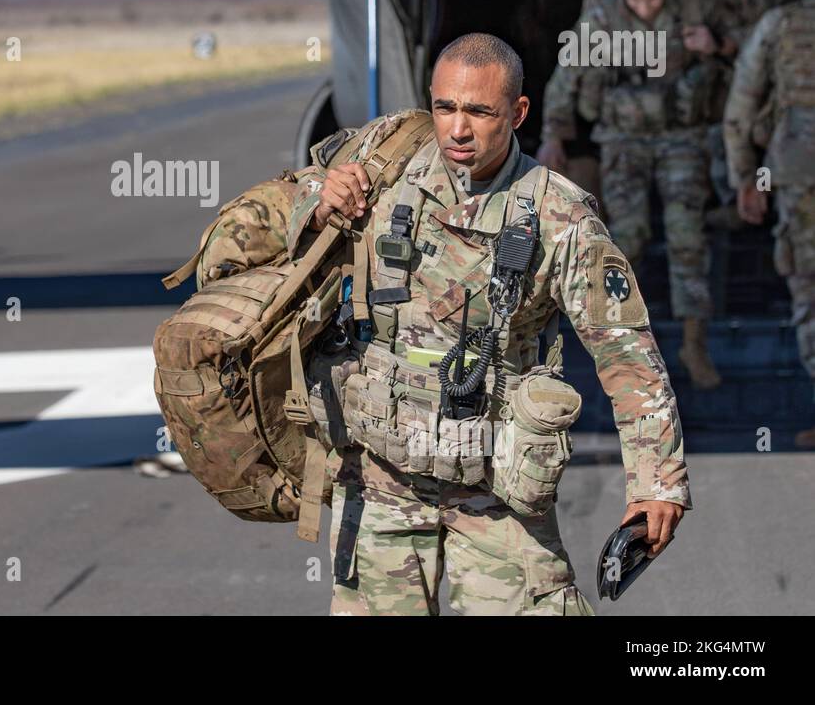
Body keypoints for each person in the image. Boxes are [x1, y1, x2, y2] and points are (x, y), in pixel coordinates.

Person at [288, 33, 689, 615]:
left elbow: (627, 354)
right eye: (445, 107)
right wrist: (318, 200)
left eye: (479, 111)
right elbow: (275, 211)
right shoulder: (381, 167)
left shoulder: (561, 217)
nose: (457, 128)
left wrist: (656, 481)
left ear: (518, 113)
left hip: (495, 486)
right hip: (382, 479)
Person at [538, 0, 749, 389]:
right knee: (624, 244)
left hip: (681, 139)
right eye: (637, 0)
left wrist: (715, 45)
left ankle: (694, 345)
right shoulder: (601, 18)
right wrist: (554, 136)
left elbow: (747, 52)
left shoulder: (694, 7)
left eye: (653, 0)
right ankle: (625, 350)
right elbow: (566, 77)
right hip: (624, 141)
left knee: (688, 238)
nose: (645, 8)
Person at [724, 0, 815, 449]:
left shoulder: (778, 26)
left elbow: (741, 107)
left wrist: (745, 179)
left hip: (799, 174)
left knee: (809, 292)